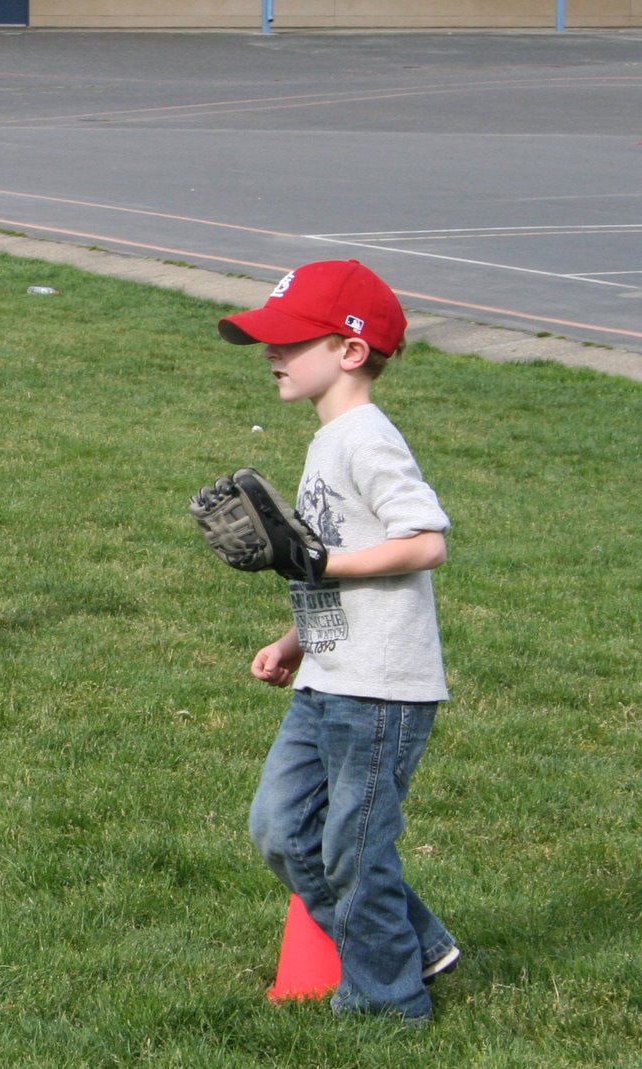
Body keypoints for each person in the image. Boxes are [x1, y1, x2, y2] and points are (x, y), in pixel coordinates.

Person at [219, 259, 459, 1023]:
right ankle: (415, 943)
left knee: (353, 849)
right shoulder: (329, 438)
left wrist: (324, 561)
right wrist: (296, 638)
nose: (272, 353)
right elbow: (334, 557)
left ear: (351, 351)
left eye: (290, 340)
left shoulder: (365, 438)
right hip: (327, 673)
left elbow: (425, 541)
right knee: (281, 829)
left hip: (381, 687)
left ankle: (389, 1004)